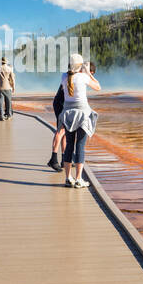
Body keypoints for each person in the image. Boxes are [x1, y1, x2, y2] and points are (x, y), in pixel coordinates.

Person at [59, 54, 100, 189]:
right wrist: (88, 72)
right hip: (82, 113)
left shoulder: (64, 77)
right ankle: (78, 179)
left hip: (68, 113)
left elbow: (70, 78)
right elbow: (98, 87)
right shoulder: (83, 77)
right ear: (80, 66)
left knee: (69, 145)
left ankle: (68, 178)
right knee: (80, 146)